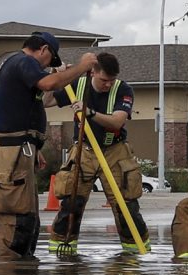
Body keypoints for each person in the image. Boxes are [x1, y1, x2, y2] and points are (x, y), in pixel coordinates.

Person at [0, 31, 96, 260]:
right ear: (44, 49)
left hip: (17, 149)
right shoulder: (23, 61)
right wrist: (80, 67)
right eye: (50, 60)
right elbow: (48, 84)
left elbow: (31, 104)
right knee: (17, 218)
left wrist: (33, 147)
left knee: (27, 218)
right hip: (10, 152)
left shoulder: (14, 69)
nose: (48, 66)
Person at [48, 51, 150, 254]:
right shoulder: (76, 85)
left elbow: (117, 121)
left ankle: (134, 252)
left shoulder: (123, 89)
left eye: (111, 80)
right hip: (83, 150)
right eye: (104, 80)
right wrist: (56, 76)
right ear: (93, 72)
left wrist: (90, 113)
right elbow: (46, 101)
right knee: (71, 203)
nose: (108, 84)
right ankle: (62, 248)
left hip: (115, 150)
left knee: (126, 206)